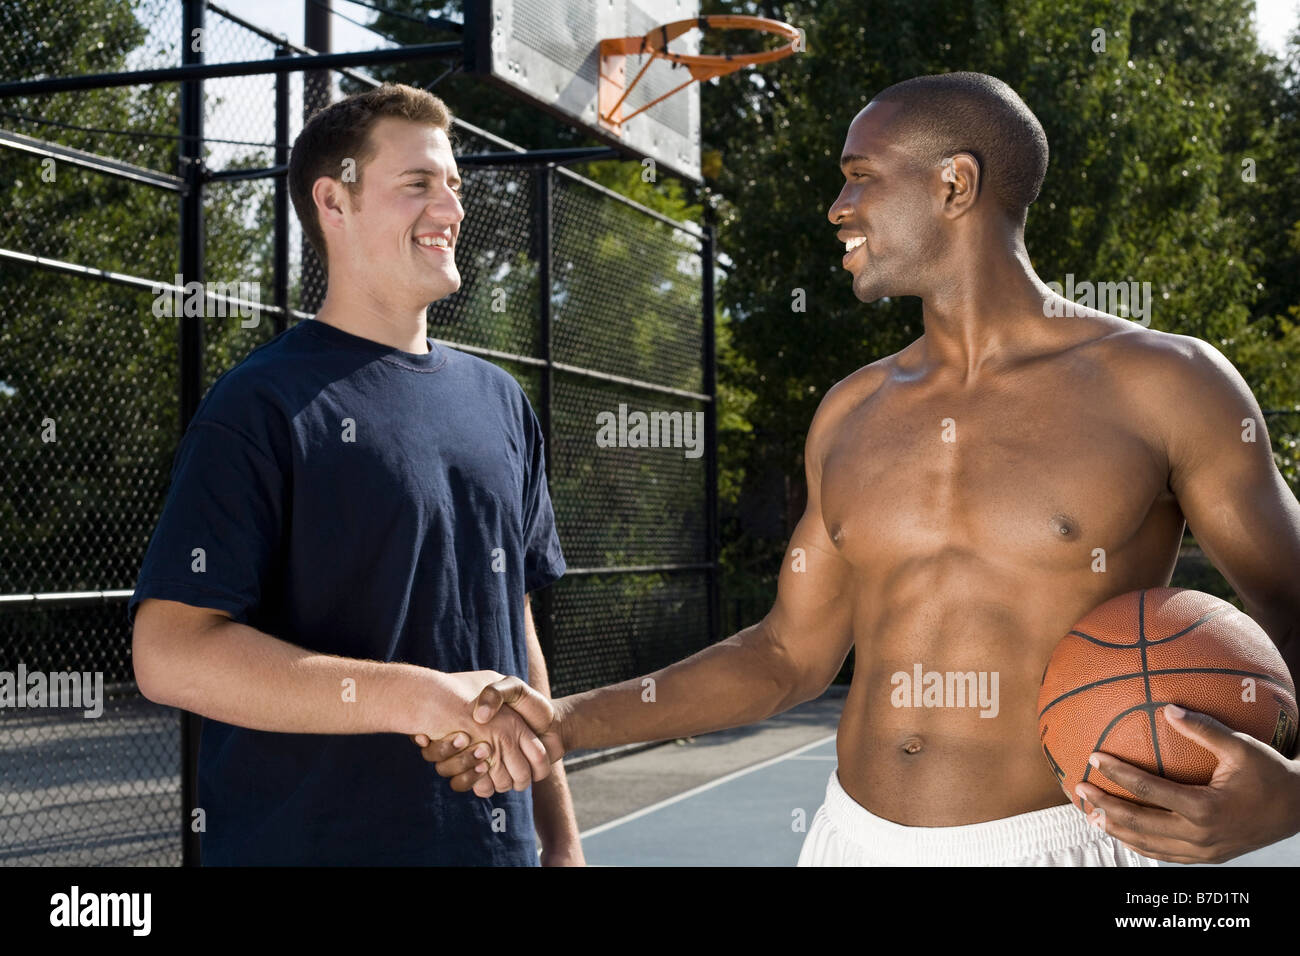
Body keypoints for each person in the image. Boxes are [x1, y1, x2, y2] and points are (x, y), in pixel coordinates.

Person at [425, 72, 1300, 866]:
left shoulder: (1164, 383)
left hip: (1070, 842)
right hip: (852, 839)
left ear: (955, 183)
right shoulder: (853, 410)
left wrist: (1292, 797)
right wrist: (565, 723)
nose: (839, 207)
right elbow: (783, 656)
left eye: (861, 176)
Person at [129, 83, 583, 866]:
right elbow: (168, 652)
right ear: (333, 203)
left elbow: (516, 633)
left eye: (454, 185)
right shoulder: (261, 406)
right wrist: (417, 696)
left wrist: (560, 840)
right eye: (418, 184)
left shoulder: (501, 403)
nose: (451, 208)